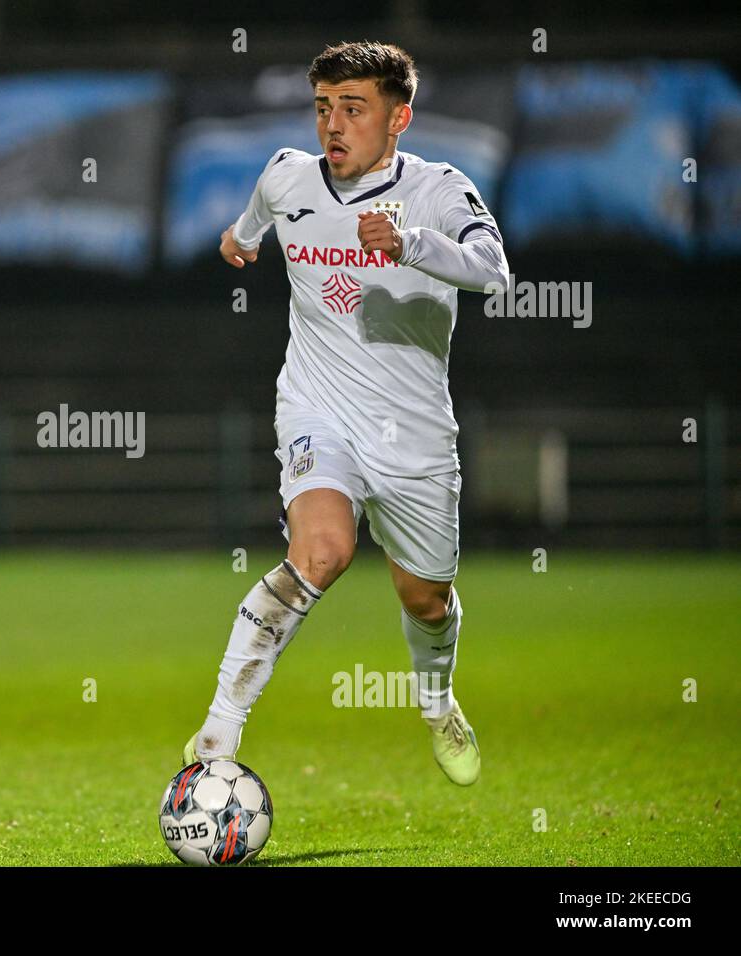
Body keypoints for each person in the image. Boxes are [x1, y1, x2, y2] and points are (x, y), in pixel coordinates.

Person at [183, 40, 510, 786]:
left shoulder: (438, 190)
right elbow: (254, 219)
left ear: (399, 118)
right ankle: (218, 735)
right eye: (324, 107)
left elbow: (494, 272)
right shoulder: (287, 175)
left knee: (426, 600)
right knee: (322, 553)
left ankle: (437, 702)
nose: (334, 124)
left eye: (354, 109)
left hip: (414, 432)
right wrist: (240, 240)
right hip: (317, 408)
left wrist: (411, 245)